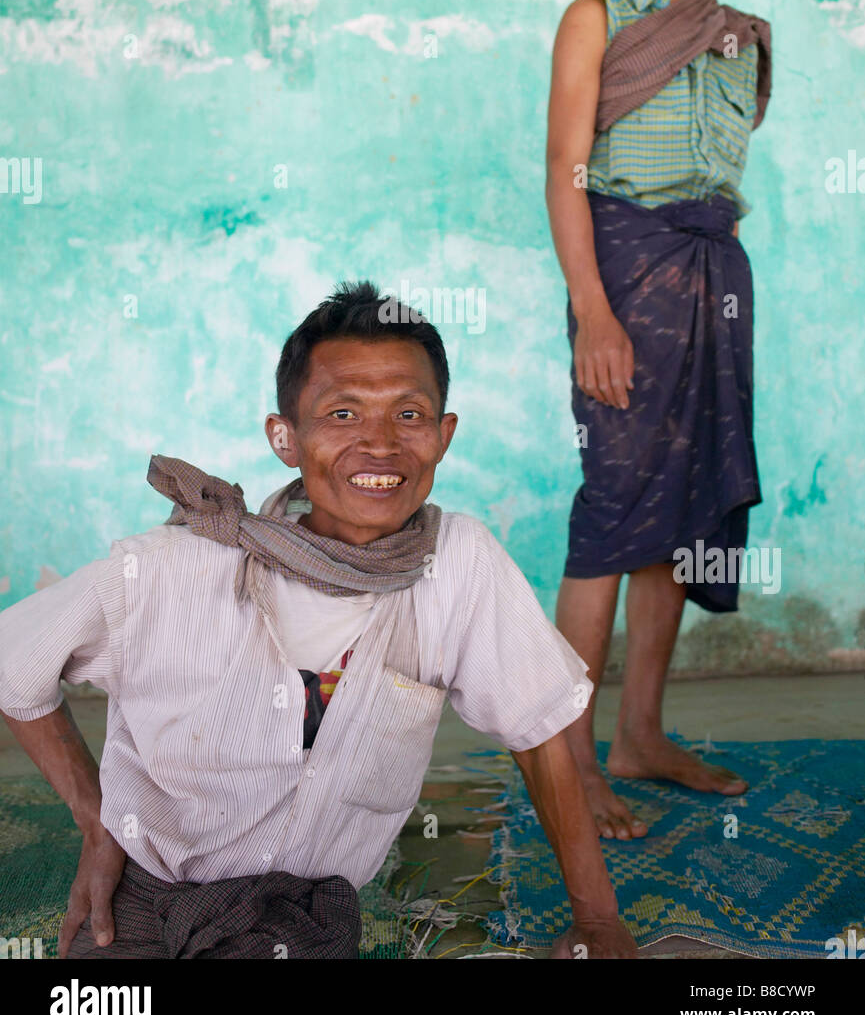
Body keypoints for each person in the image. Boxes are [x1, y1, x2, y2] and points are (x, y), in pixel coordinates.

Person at [0, 280, 636, 959]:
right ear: (284, 436)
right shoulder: (172, 566)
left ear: (444, 435)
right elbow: (15, 662)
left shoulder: (457, 563)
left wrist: (598, 921)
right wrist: (97, 823)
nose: (380, 444)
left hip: (302, 916)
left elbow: (538, 730)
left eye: (409, 414)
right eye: (340, 415)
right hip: (146, 893)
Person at [545, 0, 772, 842]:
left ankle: (640, 734)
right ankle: (573, 763)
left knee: (681, 508)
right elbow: (565, 170)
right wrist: (593, 309)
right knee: (613, 512)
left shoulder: (740, 32)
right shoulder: (596, 16)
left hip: (713, 274)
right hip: (625, 276)